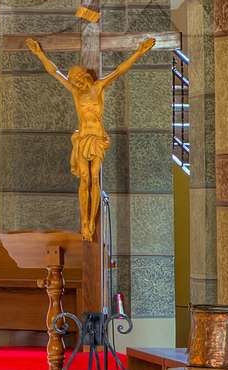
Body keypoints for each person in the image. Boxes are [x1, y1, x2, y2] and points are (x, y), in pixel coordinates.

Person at [25, 35, 156, 241]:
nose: (75, 80)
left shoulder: (98, 87)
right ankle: (84, 220)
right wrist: (39, 54)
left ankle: (92, 220)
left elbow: (120, 70)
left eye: (77, 76)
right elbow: (55, 73)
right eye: (74, 78)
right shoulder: (76, 93)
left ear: (84, 75)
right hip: (83, 138)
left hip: (97, 138)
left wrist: (139, 51)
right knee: (84, 178)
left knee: (95, 177)